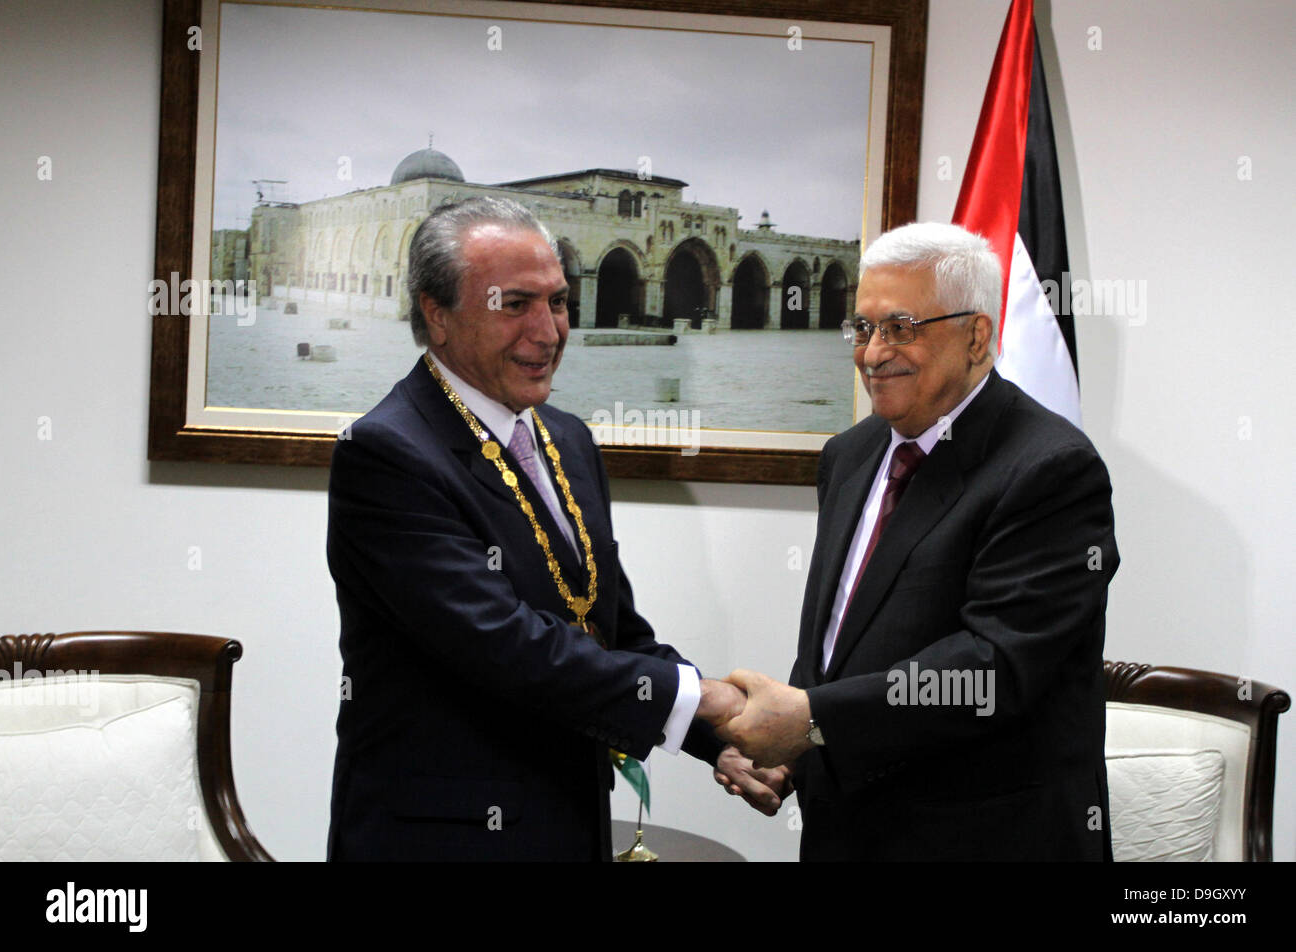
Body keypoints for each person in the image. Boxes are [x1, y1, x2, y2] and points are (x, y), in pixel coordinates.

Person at [326, 196, 777, 861]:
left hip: (568, 824)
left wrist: (723, 742)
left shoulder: (567, 438)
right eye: (514, 304)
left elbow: (612, 629)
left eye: (559, 301)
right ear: (437, 314)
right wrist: (704, 698)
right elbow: (509, 648)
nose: (550, 331)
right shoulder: (386, 453)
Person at [714, 222, 1119, 861]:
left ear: (977, 337)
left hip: (982, 842)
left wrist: (813, 718)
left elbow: (993, 667)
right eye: (865, 328)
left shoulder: (1050, 468)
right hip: (846, 832)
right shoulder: (850, 454)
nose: (873, 353)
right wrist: (791, 749)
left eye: (902, 327)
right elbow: (842, 640)